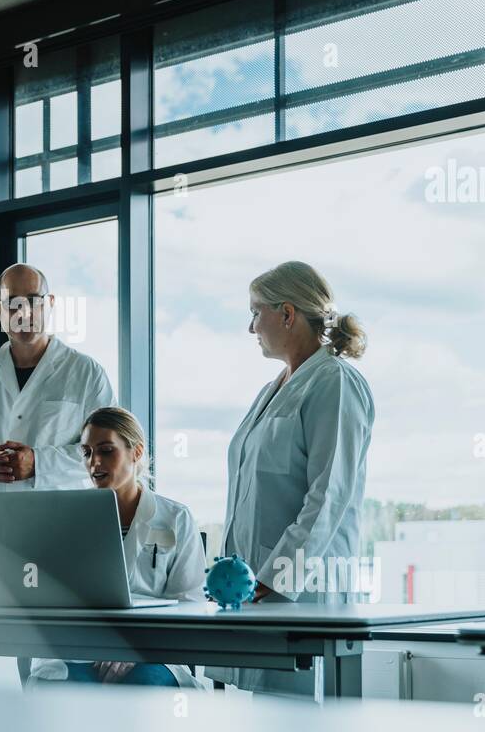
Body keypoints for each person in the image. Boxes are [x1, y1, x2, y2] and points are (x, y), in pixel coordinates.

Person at [0, 262, 115, 680]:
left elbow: (108, 454)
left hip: (59, 537)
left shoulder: (85, 373)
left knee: (53, 665)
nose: (23, 313)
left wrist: (39, 463)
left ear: (48, 305)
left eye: (32, 302)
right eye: (11, 304)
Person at [215, 260, 375, 694]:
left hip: (301, 589)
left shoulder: (334, 382)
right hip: (259, 588)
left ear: (287, 314)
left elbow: (329, 494)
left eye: (256, 313)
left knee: (300, 723)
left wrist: (278, 572)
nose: (251, 328)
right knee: (268, 720)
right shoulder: (272, 389)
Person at [27, 407, 206, 689]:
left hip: (153, 653)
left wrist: (134, 651)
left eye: (106, 450)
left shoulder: (175, 518)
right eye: (86, 453)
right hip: (78, 652)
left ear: (135, 452)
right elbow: (52, 601)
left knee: (145, 686)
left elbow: (190, 605)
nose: (94, 462)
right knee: (65, 689)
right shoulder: (65, 519)